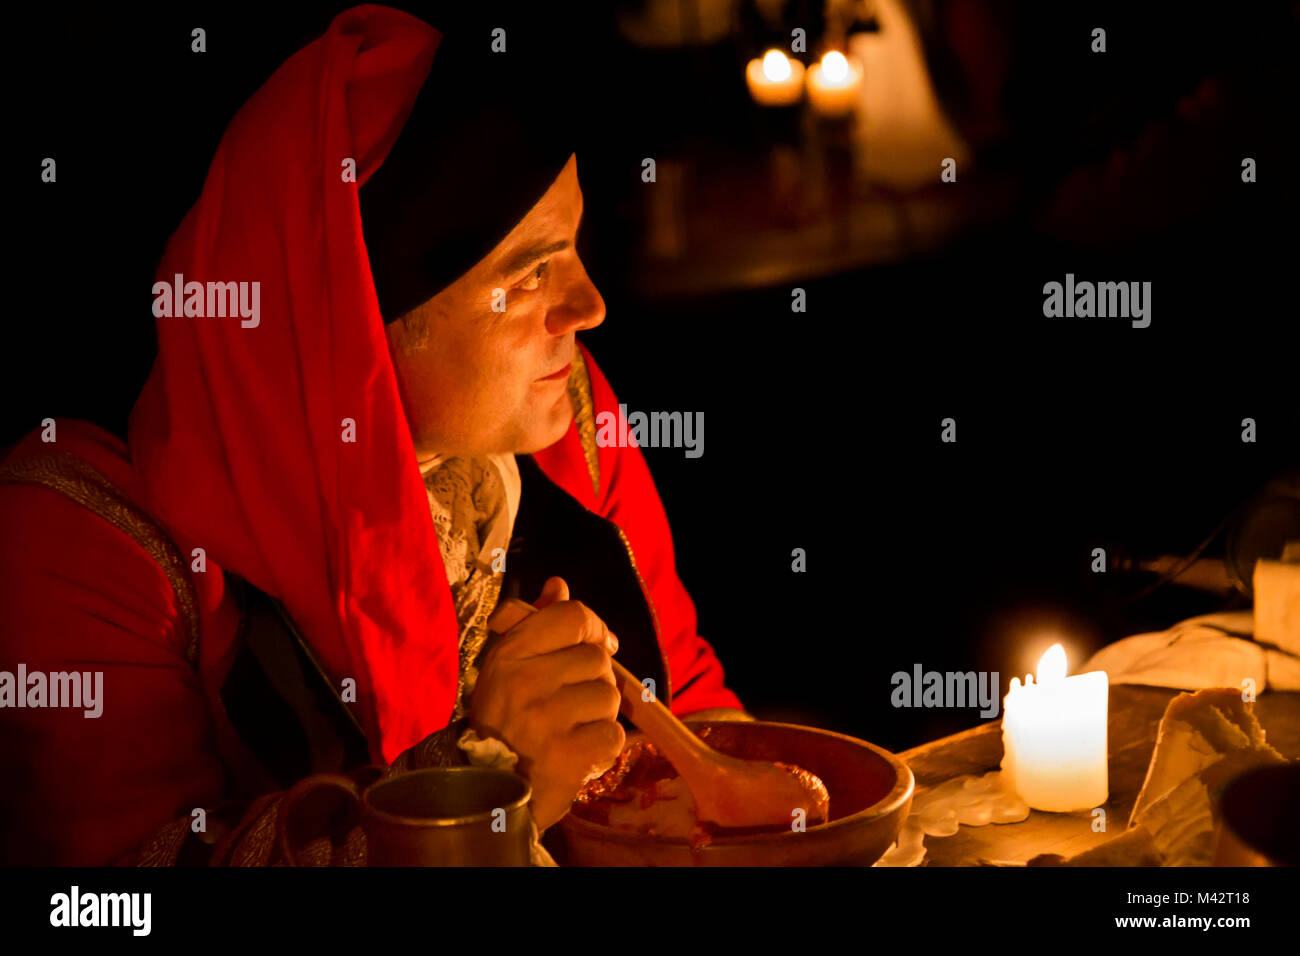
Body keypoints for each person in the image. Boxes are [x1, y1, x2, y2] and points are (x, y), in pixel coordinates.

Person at [0, 5, 743, 866]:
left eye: (573, 248)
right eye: (531, 272)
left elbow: (691, 708)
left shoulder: (560, 419)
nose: (590, 308)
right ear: (358, 317)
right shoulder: (82, 543)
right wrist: (480, 787)